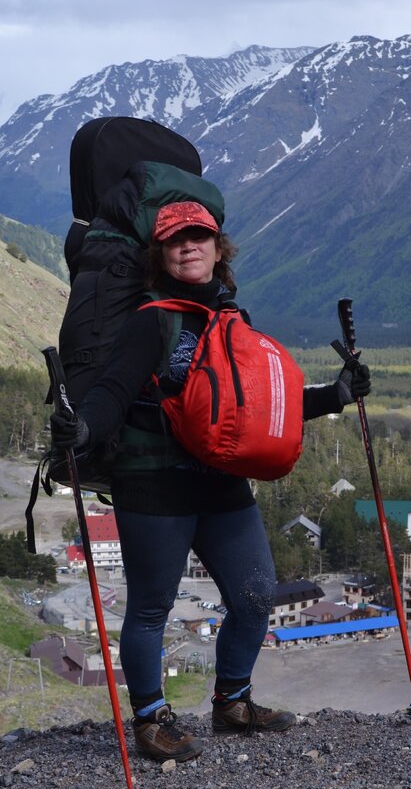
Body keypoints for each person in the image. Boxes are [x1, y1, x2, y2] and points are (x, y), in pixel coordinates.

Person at [50, 200, 371, 763]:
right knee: (152, 608)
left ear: (219, 249)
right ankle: (151, 720)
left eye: (199, 237)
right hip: (153, 484)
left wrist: (336, 395)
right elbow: (114, 390)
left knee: (254, 596)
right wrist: (84, 430)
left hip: (220, 483)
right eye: (176, 241)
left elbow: (256, 408)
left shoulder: (231, 319)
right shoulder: (150, 320)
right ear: (161, 255)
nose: (188, 246)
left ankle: (233, 702)